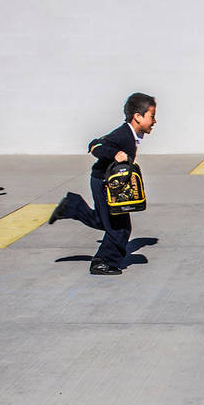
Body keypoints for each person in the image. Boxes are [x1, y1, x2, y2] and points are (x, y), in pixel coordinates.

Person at [48, 92, 157, 275]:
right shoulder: (123, 134)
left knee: (103, 221)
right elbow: (95, 146)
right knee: (119, 228)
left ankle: (72, 206)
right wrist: (114, 154)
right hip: (103, 183)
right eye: (151, 116)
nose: (154, 121)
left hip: (107, 184)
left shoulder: (131, 136)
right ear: (138, 117)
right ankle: (102, 262)